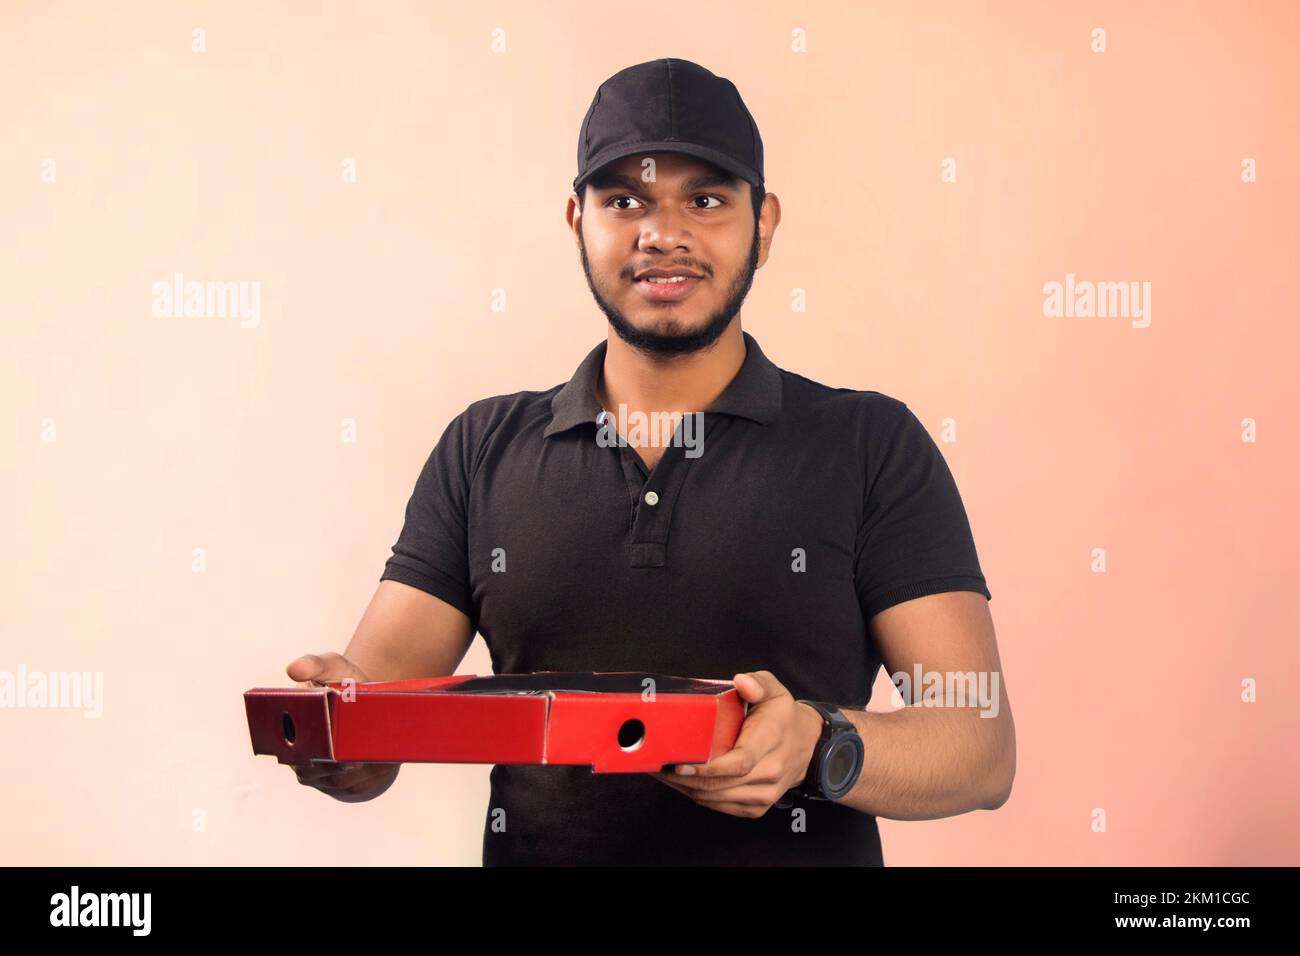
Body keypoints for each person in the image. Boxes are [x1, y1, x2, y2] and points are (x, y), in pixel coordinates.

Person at [285, 57, 1015, 865]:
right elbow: (374, 733)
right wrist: (338, 732)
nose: (663, 233)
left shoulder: (871, 443)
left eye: (704, 200)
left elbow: (977, 748)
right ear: (577, 223)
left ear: (763, 224)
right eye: (624, 199)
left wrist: (817, 743)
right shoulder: (480, 447)